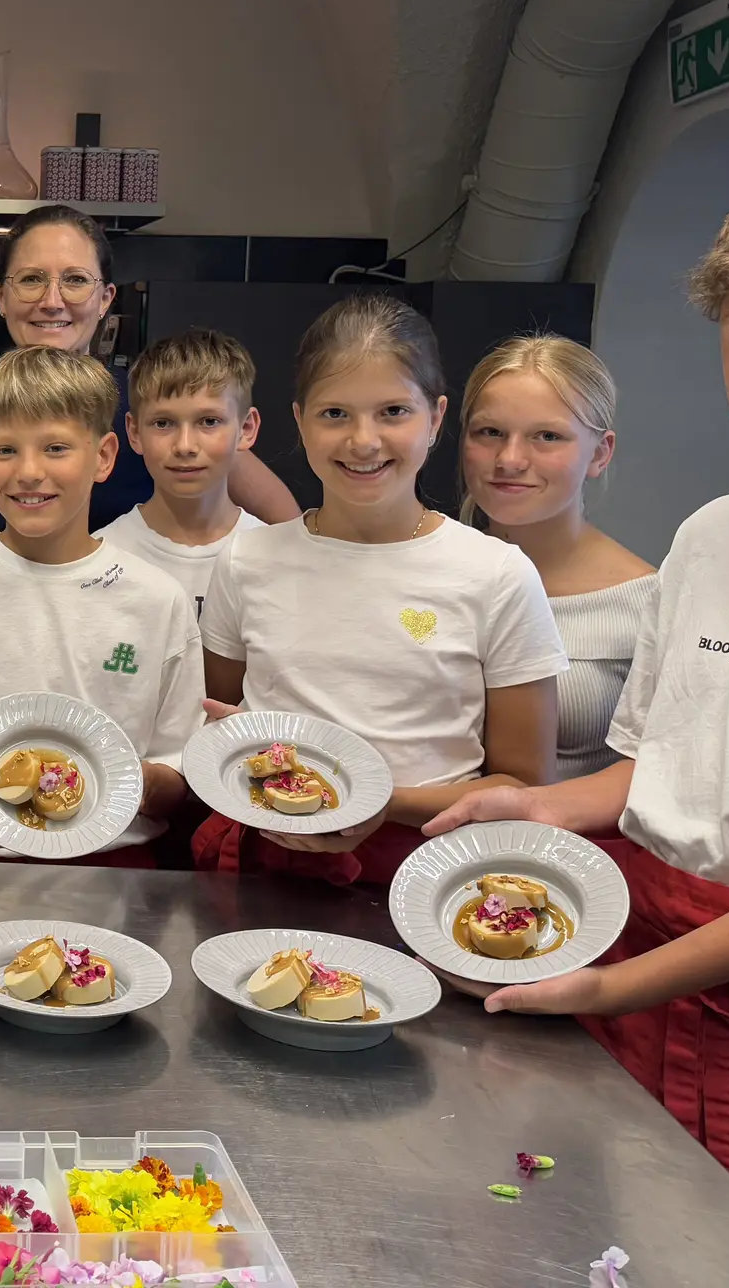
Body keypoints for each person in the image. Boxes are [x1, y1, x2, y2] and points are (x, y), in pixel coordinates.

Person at [427, 173, 729, 1288]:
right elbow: (649, 765)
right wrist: (534, 804)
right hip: (644, 944)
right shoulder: (713, 534)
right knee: (617, 1251)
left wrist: (624, 985)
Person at [195, 294, 565, 885]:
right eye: (335, 414)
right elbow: (225, 720)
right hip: (267, 860)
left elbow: (523, 786)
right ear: (299, 421)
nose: (363, 441)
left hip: (432, 871)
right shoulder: (248, 558)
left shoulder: (496, 573)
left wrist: (378, 801)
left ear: (437, 418)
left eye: (393, 411)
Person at [0, 346, 201, 865]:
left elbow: (176, 770)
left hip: (114, 868)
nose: (28, 471)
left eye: (55, 449)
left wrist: (108, 789)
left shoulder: (158, 600)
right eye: (6, 451)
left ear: (103, 456)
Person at [0, 205, 299, 543]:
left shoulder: (158, 414)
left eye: (75, 280)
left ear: (105, 299)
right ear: (1, 296)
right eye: (31, 280)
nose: (52, 301)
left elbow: (286, 530)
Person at [457, 335, 657, 780]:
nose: (509, 460)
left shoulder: (650, 604)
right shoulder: (428, 571)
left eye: (547, 436)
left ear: (600, 453)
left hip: (575, 845)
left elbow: (670, 774)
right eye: (490, 432)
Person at [94, 328, 267, 622]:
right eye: (163, 423)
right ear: (134, 432)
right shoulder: (100, 560)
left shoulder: (275, 559)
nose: (185, 446)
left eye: (209, 421)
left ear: (246, 429)